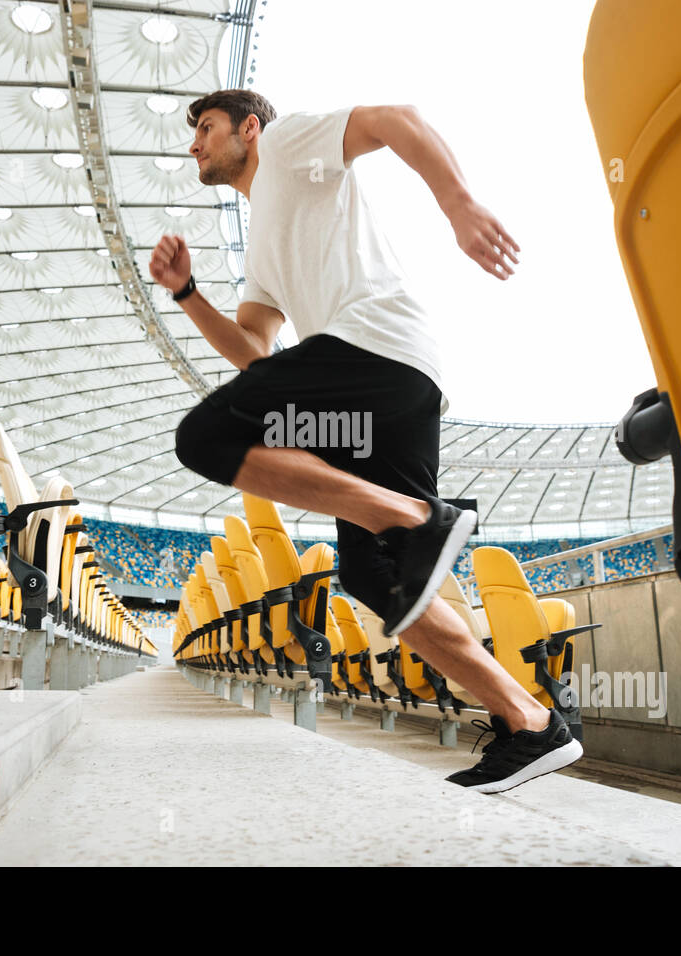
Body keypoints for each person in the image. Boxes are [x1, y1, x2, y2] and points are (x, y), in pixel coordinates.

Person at [148, 90, 581, 793]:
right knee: (374, 575)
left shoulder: (285, 146)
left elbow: (396, 119)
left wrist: (459, 205)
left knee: (206, 435)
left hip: (374, 349)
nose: (194, 143)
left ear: (249, 128)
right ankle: (529, 721)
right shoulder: (263, 236)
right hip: (379, 385)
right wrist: (188, 293)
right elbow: (256, 350)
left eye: (205, 128)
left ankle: (416, 518)